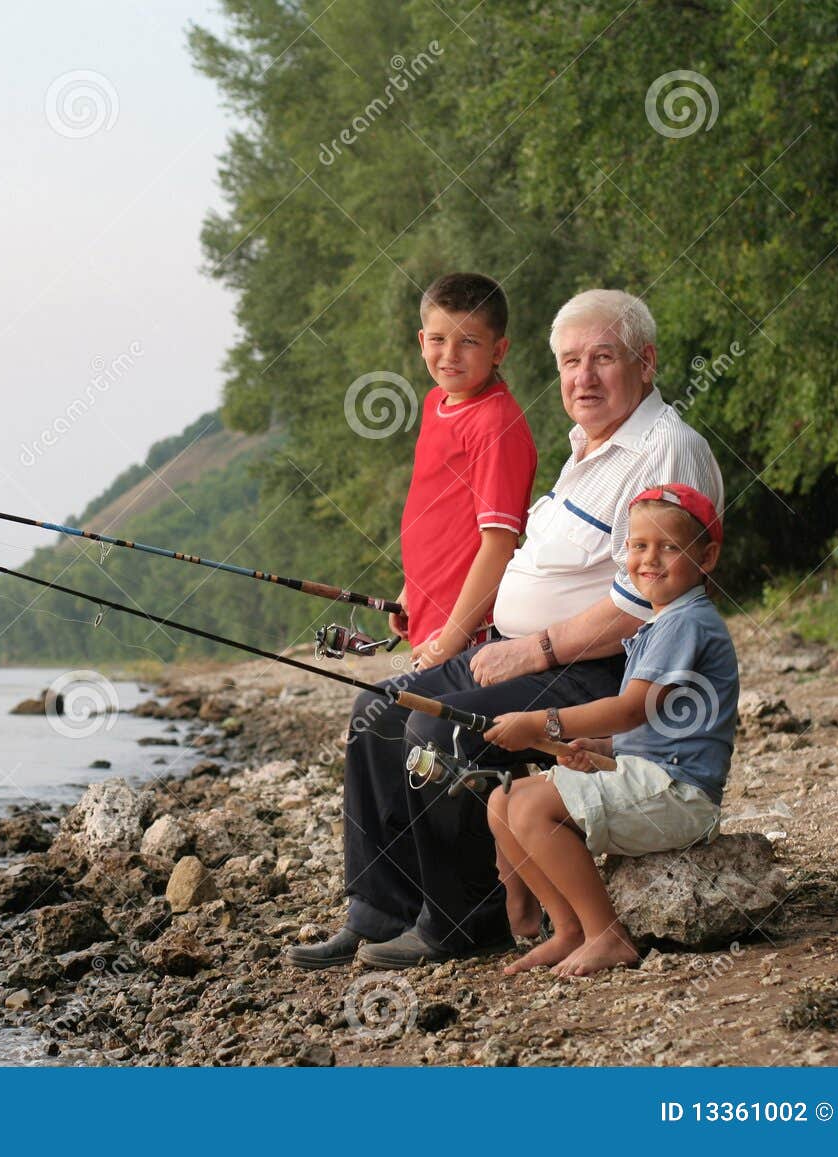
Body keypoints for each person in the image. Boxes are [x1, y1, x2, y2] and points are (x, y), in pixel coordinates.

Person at [286, 288, 724, 971]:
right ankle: (380, 910)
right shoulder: (588, 450)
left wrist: (534, 649)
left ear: (645, 363)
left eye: (603, 358)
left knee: (437, 730)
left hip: (591, 666)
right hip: (518, 651)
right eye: (570, 361)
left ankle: (465, 918)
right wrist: (454, 617)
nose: (583, 377)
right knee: (377, 709)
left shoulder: (665, 449)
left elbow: (645, 598)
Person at [484, 484, 738, 976]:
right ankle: (569, 929)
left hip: (681, 795)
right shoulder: (661, 625)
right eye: (640, 545)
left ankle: (608, 935)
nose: (651, 559)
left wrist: (542, 721)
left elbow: (630, 710)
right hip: (651, 779)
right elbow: (654, 726)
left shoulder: (687, 623)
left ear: (706, 557)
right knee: (503, 800)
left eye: (669, 546)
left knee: (533, 808)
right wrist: (599, 748)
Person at [391, 272, 537, 671]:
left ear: (498, 350)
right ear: (422, 342)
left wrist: (449, 643)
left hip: (471, 633)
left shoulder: (495, 424)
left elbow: (499, 544)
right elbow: (441, 517)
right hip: (434, 621)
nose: (450, 354)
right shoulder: (436, 401)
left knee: (392, 708)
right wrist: (412, 589)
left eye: (468, 341)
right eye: (438, 339)